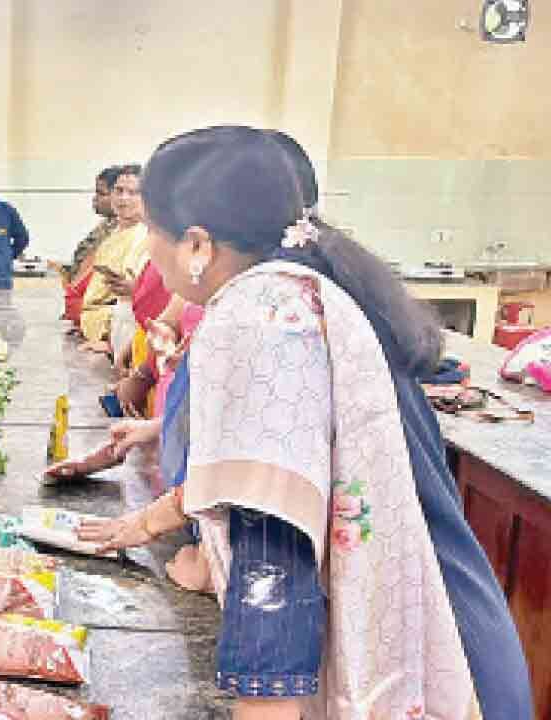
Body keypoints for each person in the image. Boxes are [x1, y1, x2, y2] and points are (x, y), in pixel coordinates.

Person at [79, 126, 532, 718]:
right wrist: (163, 520)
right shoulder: (290, 293)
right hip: (430, 633)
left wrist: (264, 709)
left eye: (154, 235)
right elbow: (273, 470)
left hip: (423, 650)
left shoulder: (257, 317)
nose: (149, 253)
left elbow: (273, 548)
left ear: (196, 244)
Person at [78, 164, 147, 352]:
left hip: (124, 332)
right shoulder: (112, 235)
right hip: (98, 326)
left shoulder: (146, 237)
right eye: (119, 190)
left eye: (133, 192)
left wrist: (109, 340)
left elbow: (144, 300)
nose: (123, 198)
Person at [57, 166, 120, 327]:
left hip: (100, 314)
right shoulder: (106, 226)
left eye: (101, 193)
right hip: (84, 313)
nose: (95, 199)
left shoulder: (123, 232)